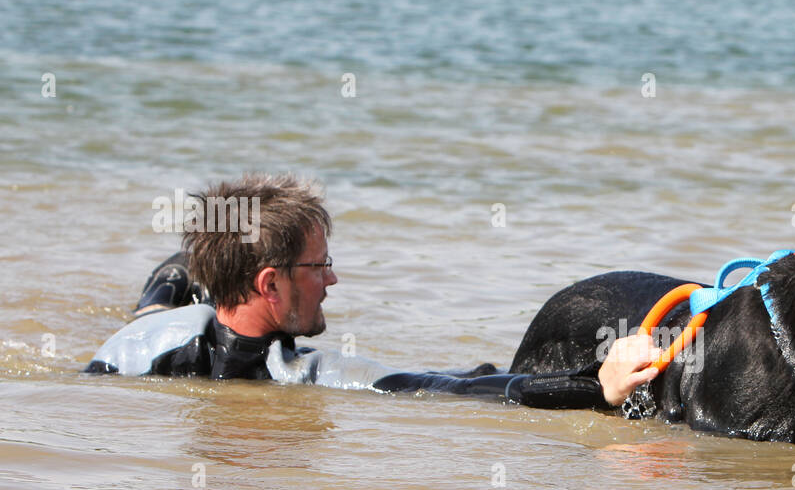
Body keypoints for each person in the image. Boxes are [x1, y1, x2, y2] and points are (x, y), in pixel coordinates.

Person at [86, 174, 660, 409]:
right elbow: (436, 391)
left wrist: (583, 381)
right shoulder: (142, 350)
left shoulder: (288, 357)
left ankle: (201, 261)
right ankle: (185, 265)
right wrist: (599, 388)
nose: (332, 279)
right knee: (161, 299)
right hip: (160, 318)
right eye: (319, 267)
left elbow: (453, 384)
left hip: (202, 309)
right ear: (270, 285)